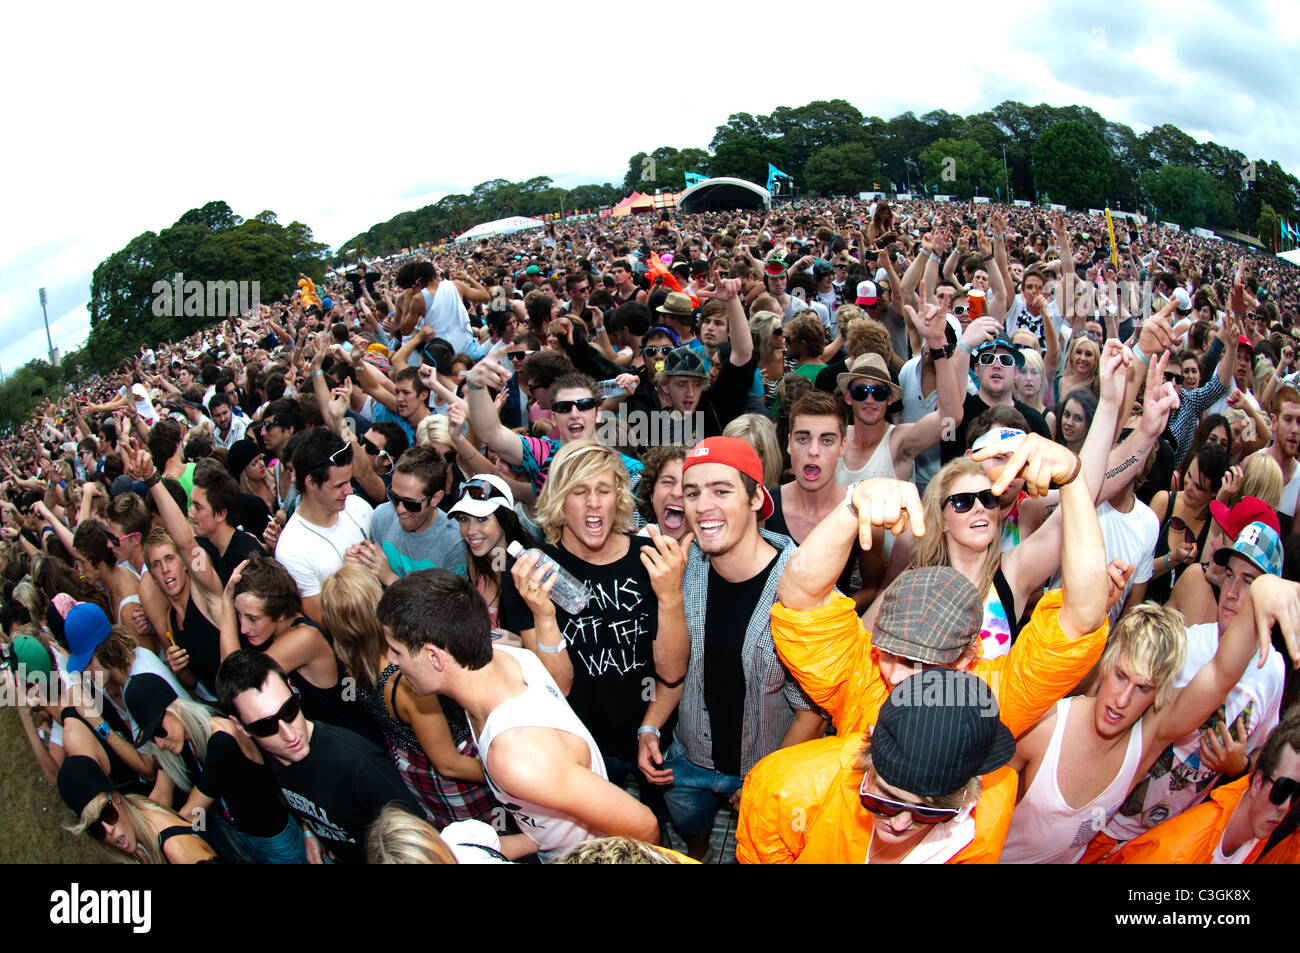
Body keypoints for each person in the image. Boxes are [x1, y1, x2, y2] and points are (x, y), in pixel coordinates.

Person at [999, 569, 1300, 864]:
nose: (1123, 700)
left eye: (1142, 688)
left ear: (1158, 694)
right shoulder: (1043, 730)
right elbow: (976, 816)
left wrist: (1259, 597)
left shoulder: (1145, 743)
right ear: (1107, 662)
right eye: (1120, 676)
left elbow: (1221, 674)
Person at [378, 569, 659, 860]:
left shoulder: (514, 754)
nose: (390, 660)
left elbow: (644, 826)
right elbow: (560, 685)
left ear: (434, 657)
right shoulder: (500, 658)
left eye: (396, 651)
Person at [637, 436, 824, 860]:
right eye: (692, 492)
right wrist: (650, 727)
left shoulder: (800, 586)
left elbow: (812, 710)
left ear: (757, 497)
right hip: (686, 760)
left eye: (721, 491)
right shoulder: (681, 570)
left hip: (767, 763)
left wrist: (767, 780)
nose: (702, 506)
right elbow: (673, 671)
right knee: (692, 835)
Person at [500, 439, 689, 817]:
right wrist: (543, 615)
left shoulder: (650, 561)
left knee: (663, 826)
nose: (592, 503)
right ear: (558, 501)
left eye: (603, 490)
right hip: (578, 746)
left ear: (617, 497)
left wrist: (670, 597)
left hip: (654, 734)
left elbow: (671, 670)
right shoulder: (531, 575)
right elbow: (559, 686)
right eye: (578, 492)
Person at [1085, 521, 1287, 859]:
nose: (1233, 591)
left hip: (1169, 838)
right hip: (1104, 822)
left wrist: (1238, 766)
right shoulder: (1186, 644)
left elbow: (1263, 758)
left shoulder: (1273, 674)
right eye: (1230, 575)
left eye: (1249, 581)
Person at [738, 667, 1018, 864]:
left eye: (930, 814)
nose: (899, 824)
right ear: (867, 761)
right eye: (884, 801)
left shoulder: (992, 807)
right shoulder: (785, 790)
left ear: (967, 793)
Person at [321, 563, 498, 828]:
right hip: (456, 780)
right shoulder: (406, 681)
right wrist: (503, 776)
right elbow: (449, 764)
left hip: (412, 768)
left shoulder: (350, 662)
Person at [215, 648, 423, 865]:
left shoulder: (359, 763)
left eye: (289, 709)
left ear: (292, 688)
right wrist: (311, 831)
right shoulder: (267, 753)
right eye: (266, 726)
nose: (288, 734)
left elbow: (419, 843)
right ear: (242, 727)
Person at [122, 672, 306, 864]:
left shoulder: (221, 740)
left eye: (160, 731)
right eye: (153, 738)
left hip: (275, 836)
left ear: (176, 708)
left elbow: (190, 814)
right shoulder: (182, 741)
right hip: (241, 836)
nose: (160, 743)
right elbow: (161, 795)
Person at [218, 555, 379, 744]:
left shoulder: (304, 638)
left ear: (279, 614)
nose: (243, 628)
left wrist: (226, 602)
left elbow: (235, 678)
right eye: (239, 615)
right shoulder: (277, 633)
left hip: (357, 746)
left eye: (253, 618)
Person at [1108, 711, 1300, 864]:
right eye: (1283, 790)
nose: (1285, 806)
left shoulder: (1261, 827)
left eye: (1298, 793)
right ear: (1257, 782)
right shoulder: (1174, 853)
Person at [765, 391, 878, 609]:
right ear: (789, 443)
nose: (813, 451)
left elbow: (872, 587)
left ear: (842, 446)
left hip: (829, 640)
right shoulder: (765, 507)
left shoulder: (861, 512)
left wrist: (833, 617)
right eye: (803, 439)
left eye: (827, 441)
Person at [836, 298, 964, 486]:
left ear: (889, 399)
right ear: (848, 397)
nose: (869, 399)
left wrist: (937, 344)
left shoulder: (900, 442)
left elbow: (950, 417)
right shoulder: (835, 437)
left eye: (878, 392)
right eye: (861, 391)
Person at [273, 428, 373, 624]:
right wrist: (348, 576)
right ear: (310, 482)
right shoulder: (291, 550)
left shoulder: (359, 507)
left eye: (349, 481)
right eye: (339, 486)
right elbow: (325, 623)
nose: (349, 491)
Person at [58, 755, 217, 864]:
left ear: (116, 797)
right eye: (95, 829)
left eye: (108, 814)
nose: (108, 830)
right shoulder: (140, 825)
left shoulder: (176, 848)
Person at [348, 446, 466, 583]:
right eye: (394, 497)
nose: (399, 509)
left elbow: (448, 604)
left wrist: (390, 578)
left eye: (411, 503)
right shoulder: (381, 516)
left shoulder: (454, 542)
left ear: (435, 499)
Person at [445, 473, 537, 628]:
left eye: (482, 519)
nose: (471, 531)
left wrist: (519, 641)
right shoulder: (477, 560)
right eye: (464, 519)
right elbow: (499, 567)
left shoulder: (529, 569)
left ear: (505, 518)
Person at [188, 458, 266, 586]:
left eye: (198, 507)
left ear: (220, 514)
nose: (190, 514)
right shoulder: (210, 549)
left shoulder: (246, 559)